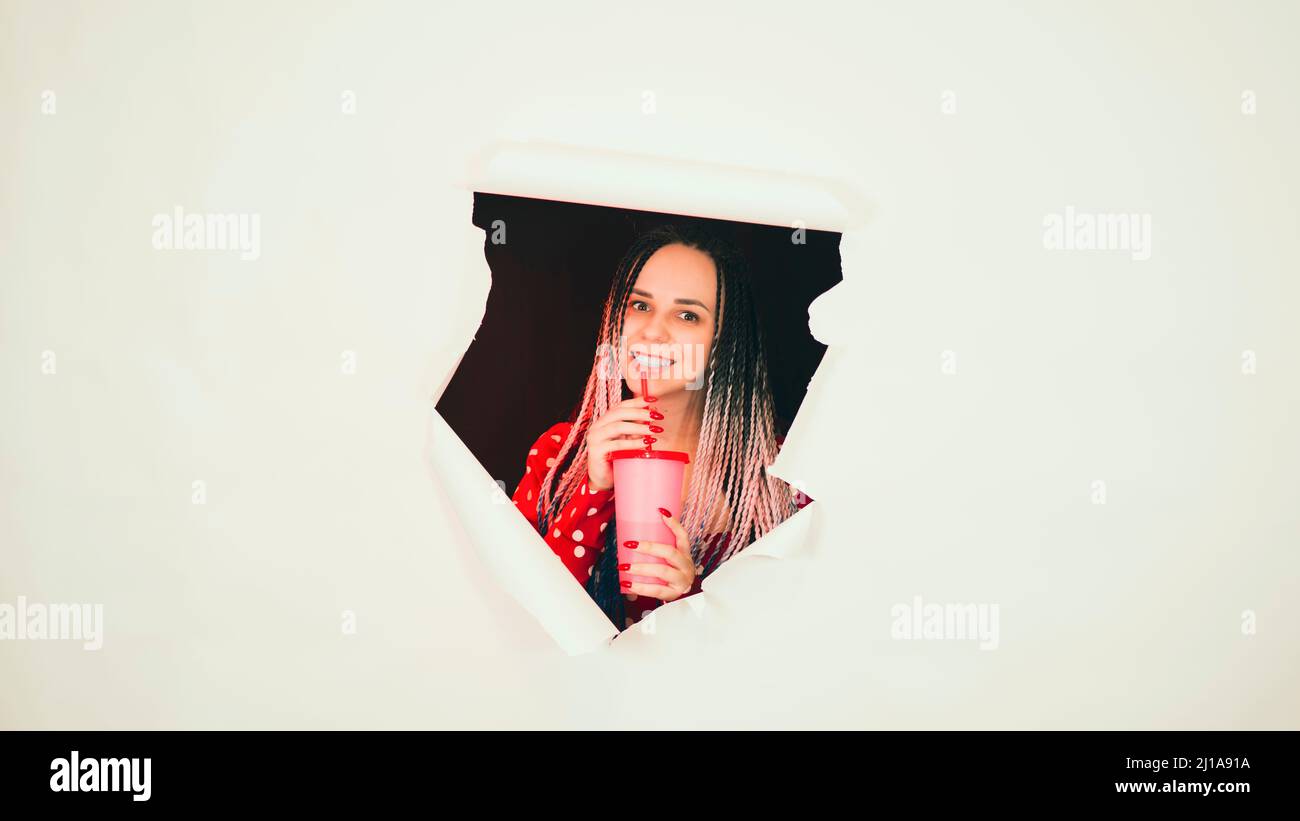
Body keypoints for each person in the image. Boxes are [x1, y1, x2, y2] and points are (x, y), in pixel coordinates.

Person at [511, 224, 812, 630]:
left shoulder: (780, 481)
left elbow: (794, 645)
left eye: (687, 315)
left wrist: (690, 599)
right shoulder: (557, 457)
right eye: (640, 306)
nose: (653, 331)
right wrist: (593, 490)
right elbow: (516, 622)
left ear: (722, 340)